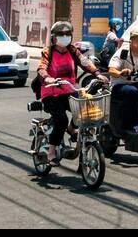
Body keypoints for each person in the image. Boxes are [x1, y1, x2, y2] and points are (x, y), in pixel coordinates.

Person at [36, 21, 105, 164]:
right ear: (54, 37)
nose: (65, 37)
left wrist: (97, 73)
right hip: (51, 93)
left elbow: (84, 62)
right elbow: (42, 68)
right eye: (61, 34)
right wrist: (47, 78)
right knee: (61, 119)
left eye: (68, 34)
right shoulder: (48, 52)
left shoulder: (73, 50)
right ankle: (52, 150)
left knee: (85, 109)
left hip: (68, 91)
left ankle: (71, 129)